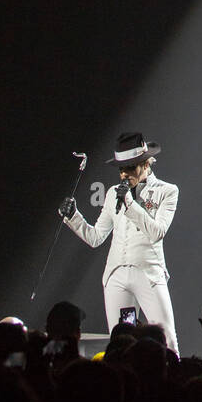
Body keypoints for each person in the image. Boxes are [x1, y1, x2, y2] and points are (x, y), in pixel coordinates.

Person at [60, 131, 179, 356]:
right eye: (120, 169)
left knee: (166, 337)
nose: (123, 174)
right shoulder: (113, 192)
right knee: (121, 341)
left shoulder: (166, 191)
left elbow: (157, 232)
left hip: (148, 274)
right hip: (116, 275)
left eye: (130, 168)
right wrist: (72, 216)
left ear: (145, 164)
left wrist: (129, 202)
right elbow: (96, 237)